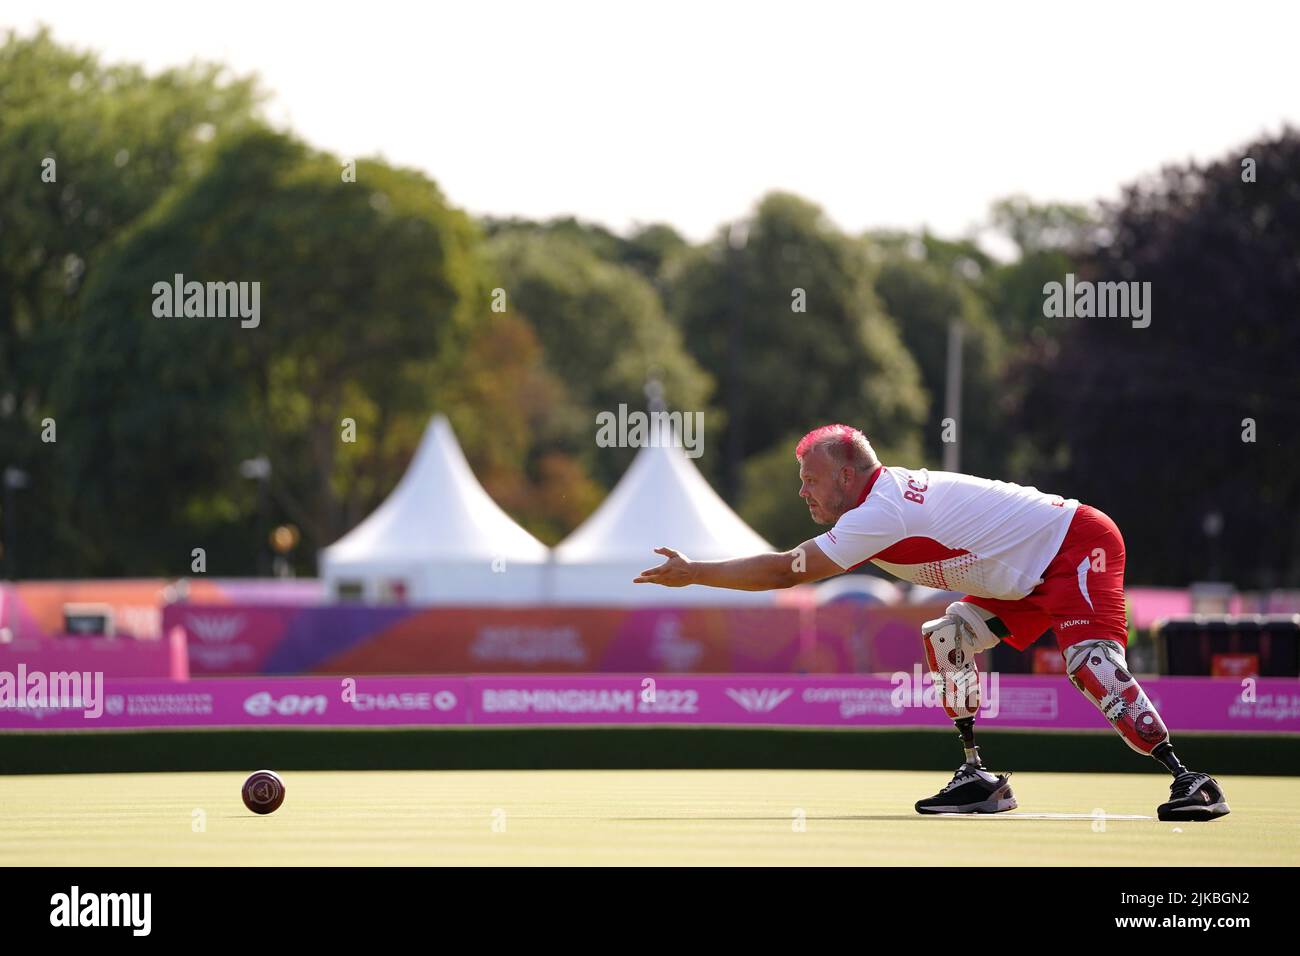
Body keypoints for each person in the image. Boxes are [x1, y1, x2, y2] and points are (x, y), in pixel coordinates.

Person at [634, 423, 1229, 821]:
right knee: (948, 639)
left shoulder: (878, 510)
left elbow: (786, 573)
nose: (802, 492)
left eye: (811, 480)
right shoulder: (875, 504)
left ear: (846, 477)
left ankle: (1192, 780)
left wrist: (695, 573)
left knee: (1091, 665)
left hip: (1074, 544)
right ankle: (978, 778)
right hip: (1021, 574)